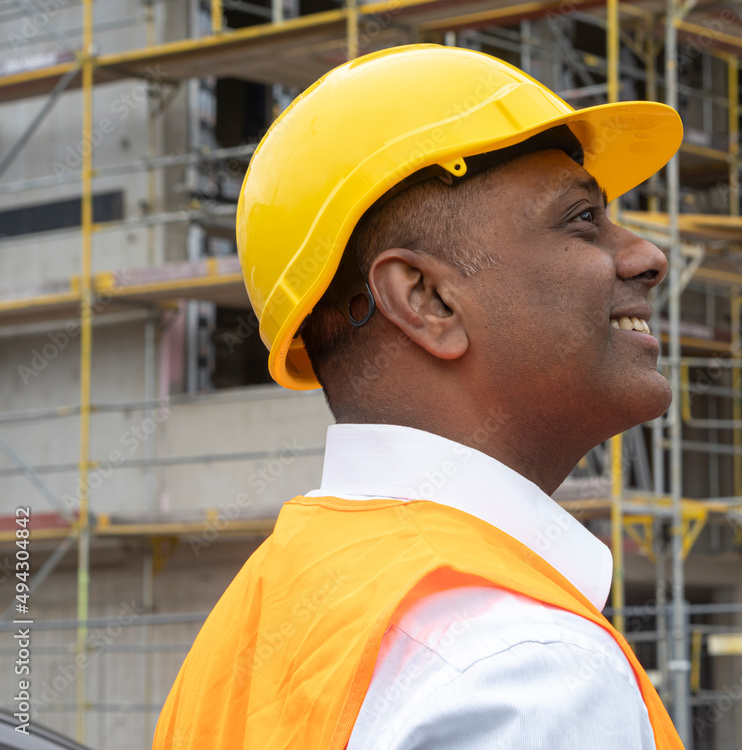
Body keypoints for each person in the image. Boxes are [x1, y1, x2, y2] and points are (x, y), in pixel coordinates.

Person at [153, 43, 685, 749]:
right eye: (582, 218)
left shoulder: (257, 619)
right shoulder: (525, 669)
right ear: (427, 299)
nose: (649, 257)